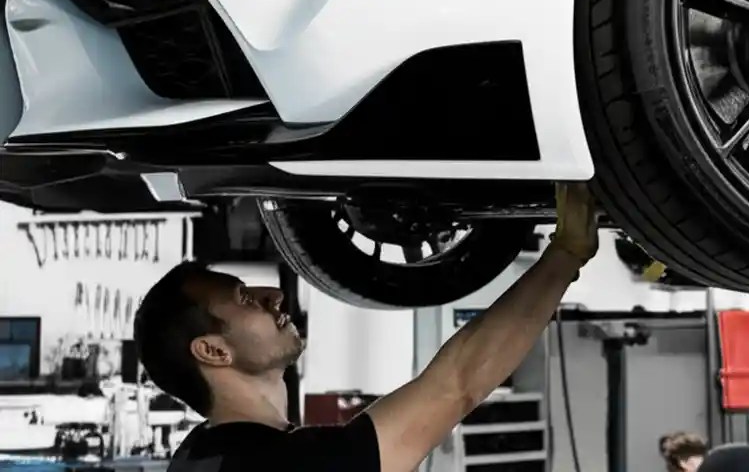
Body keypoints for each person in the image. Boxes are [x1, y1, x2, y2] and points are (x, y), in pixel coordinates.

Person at [134, 182, 600, 471]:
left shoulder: (203, 456)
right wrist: (566, 254)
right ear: (213, 351)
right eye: (242, 298)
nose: (272, 295)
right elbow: (456, 386)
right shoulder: (274, 465)